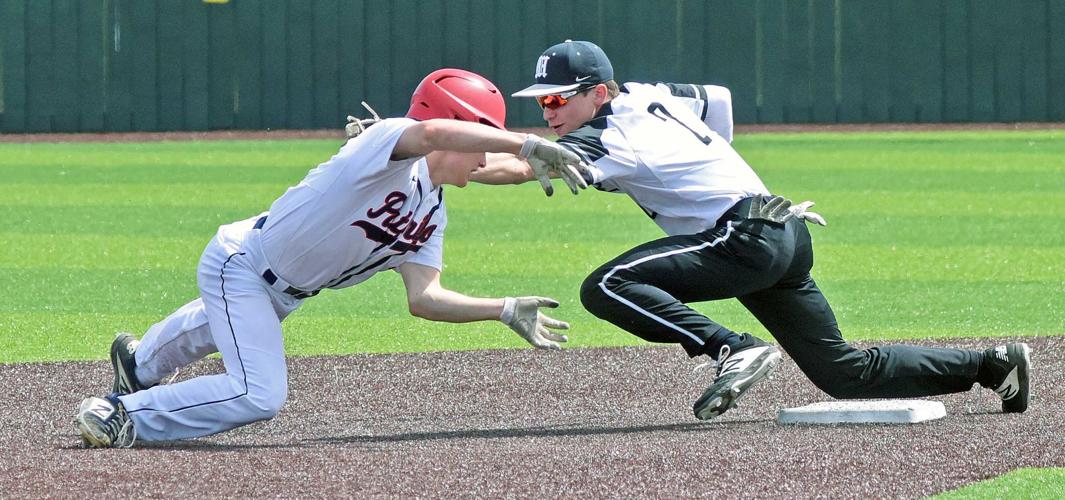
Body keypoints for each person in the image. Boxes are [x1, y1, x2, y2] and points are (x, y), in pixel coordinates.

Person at [484, 40, 1031, 420]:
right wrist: (728, 172)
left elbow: (516, 169)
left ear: (598, 92)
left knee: (604, 286)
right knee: (843, 372)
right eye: (542, 101)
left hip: (744, 238)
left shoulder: (606, 135)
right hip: (783, 229)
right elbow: (716, 98)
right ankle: (992, 365)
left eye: (558, 98)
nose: (549, 110)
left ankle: (731, 349)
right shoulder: (651, 92)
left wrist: (452, 160)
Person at [74, 68, 592, 448]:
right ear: (458, 122)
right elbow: (432, 134)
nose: (485, 157)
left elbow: (425, 297)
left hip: (282, 287)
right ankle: (125, 413)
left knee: (215, 329)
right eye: (482, 136)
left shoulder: (431, 213)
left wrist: (499, 308)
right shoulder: (386, 147)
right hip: (243, 262)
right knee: (259, 395)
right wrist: (525, 143)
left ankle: (137, 365)